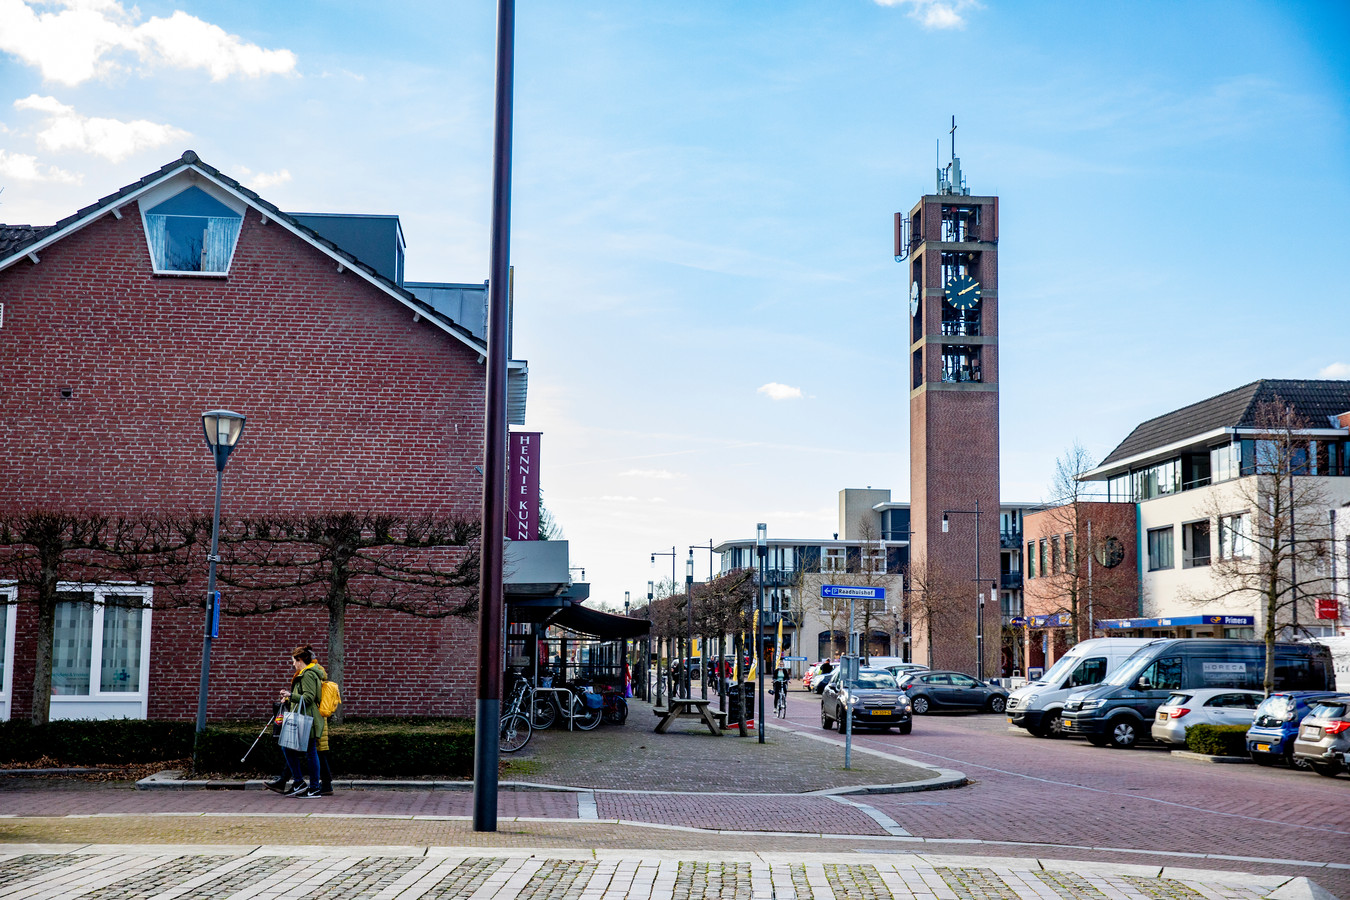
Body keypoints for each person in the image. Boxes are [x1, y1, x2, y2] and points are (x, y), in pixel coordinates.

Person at [277, 644, 325, 798]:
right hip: (306, 717)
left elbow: (309, 698)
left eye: (294, 661)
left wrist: (290, 695)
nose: (293, 664)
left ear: (300, 660)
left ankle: (313, 787)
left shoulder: (308, 675)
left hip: (307, 719)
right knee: (290, 748)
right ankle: (301, 783)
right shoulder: (306, 673)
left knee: (309, 752)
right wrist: (288, 699)